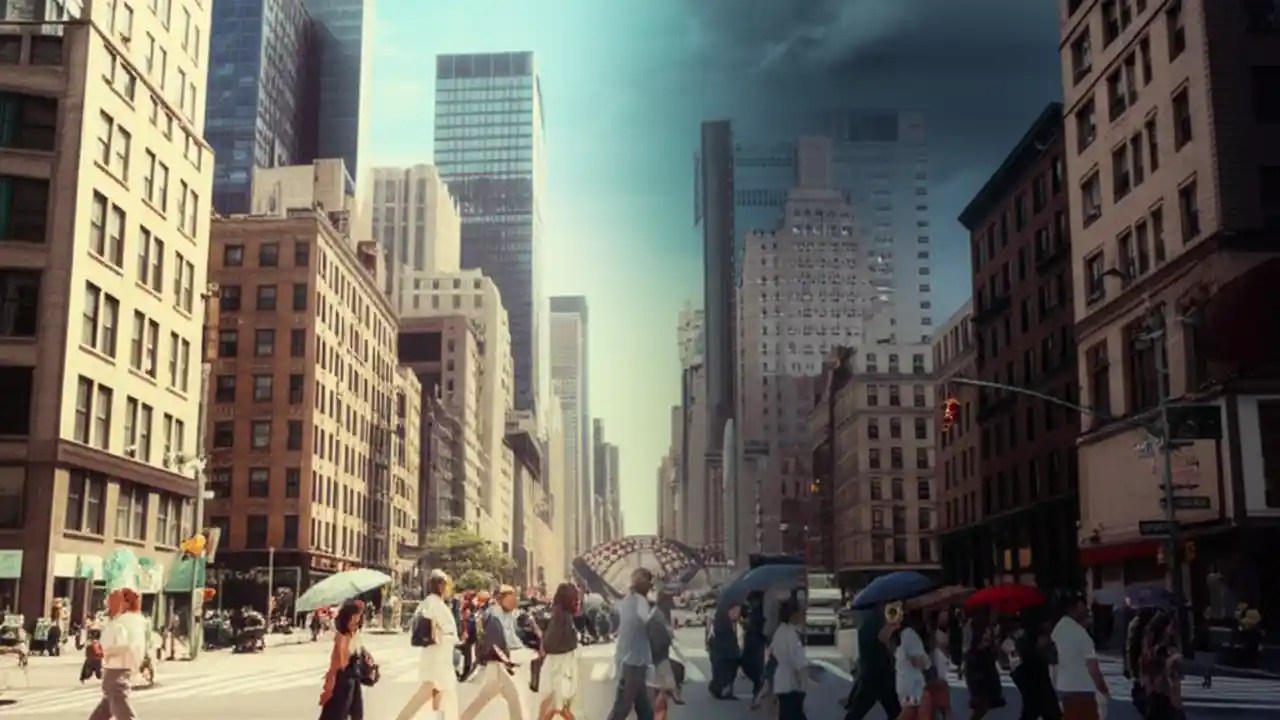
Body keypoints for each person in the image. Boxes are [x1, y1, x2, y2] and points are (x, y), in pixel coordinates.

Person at [395, 571, 461, 720]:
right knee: (435, 692)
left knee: (439, 695)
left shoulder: (431, 602)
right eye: (446, 584)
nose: (449, 588)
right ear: (440, 586)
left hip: (437, 657)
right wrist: (453, 638)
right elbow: (436, 630)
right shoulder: (434, 604)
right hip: (438, 658)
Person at [460, 586, 526, 720]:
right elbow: (494, 640)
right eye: (510, 599)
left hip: (495, 662)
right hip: (494, 662)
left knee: (486, 697)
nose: (513, 602)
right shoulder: (494, 615)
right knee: (513, 696)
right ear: (502, 599)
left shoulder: (501, 614)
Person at [84, 587, 147, 720]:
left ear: (125, 603)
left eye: (113, 600)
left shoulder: (124, 623)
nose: (108, 603)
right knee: (106, 708)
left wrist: (102, 650)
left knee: (121, 706)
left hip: (118, 669)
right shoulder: (131, 622)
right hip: (117, 668)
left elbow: (125, 646)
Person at [605, 567, 656, 720]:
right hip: (633, 662)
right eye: (649, 583)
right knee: (623, 706)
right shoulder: (640, 602)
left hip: (628, 659)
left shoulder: (627, 601)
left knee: (643, 705)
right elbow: (649, 626)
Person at [1051, 594, 1110, 720]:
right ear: (1077, 607)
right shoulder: (1082, 635)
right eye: (1085, 608)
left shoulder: (1057, 629)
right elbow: (1092, 667)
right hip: (1082, 689)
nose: (1087, 611)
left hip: (1063, 687)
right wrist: (1103, 688)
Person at [843, 607, 901, 720]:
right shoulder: (876, 619)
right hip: (879, 674)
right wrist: (894, 626)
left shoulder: (866, 623)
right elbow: (882, 637)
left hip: (871, 673)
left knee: (893, 711)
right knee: (894, 711)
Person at [537, 583, 581, 720]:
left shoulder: (558, 613)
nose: (578, 602)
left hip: (560, 665)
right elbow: (554, 641)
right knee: (556, 706)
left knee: (558, 706)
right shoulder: (563, 617)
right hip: (561, 666)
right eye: (576, 599)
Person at [319, 600, 368, 720]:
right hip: (342, 680)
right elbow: (341, 663)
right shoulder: (342, 637)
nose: (357, 619)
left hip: (352, 679)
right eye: (355, 616)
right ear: (347, 618)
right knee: (338, 713)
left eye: (359, 616)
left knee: (356, 712)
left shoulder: (354, 633)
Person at [1012, 613, 1061, 720]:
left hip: (1037, 684)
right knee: (1043, 713)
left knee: (1033, 713)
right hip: (1035, 684)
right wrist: (1042, 648)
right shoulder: (1025, 639)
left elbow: (1054, 658)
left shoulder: (1026, 638)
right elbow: (1053, 658)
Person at [1139, 611, 1183, 720]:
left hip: (1153, 705)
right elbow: (1174, 688)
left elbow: (1145, 683)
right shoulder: (1171, 656)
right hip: (1167, 706)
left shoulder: (1147, 654)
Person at [770, 600, 809, 720]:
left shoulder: (780, 631)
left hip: (782, 682)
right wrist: (802, 681)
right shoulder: (791, 634)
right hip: (791, 685)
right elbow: (797, 661)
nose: (804, 617)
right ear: (793, 615)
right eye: (802, 613)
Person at [646, 589, 681, 720]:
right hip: (658, 658)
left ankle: (673, 692)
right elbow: (659, 639)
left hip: (657, 657)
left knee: (660, 696)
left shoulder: (657, 614)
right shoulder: (658, 617)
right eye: (669, 601)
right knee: (659, 697)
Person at [964, 609, 1004, 720]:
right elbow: (972, 674)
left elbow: (992, 669)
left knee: (982, 710)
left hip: (987, 686)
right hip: (980, 686)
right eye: (985, 632)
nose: (988, 635)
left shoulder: (987, 652)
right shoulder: (974, 654)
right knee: (981, 709)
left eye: (989, 633)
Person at [893, 610, 931, 720]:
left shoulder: (900, 635)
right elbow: (920, 661)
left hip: (905, 682)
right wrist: (926, 661)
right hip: (913, 685)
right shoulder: (909, 634)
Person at [707, 604, 743, 700]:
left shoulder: (721, 618)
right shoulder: (724, 622)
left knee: (722, 671)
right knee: (726, 671)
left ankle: (722, 690)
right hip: (724, 651)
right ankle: (722, 690)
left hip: (721, 650)